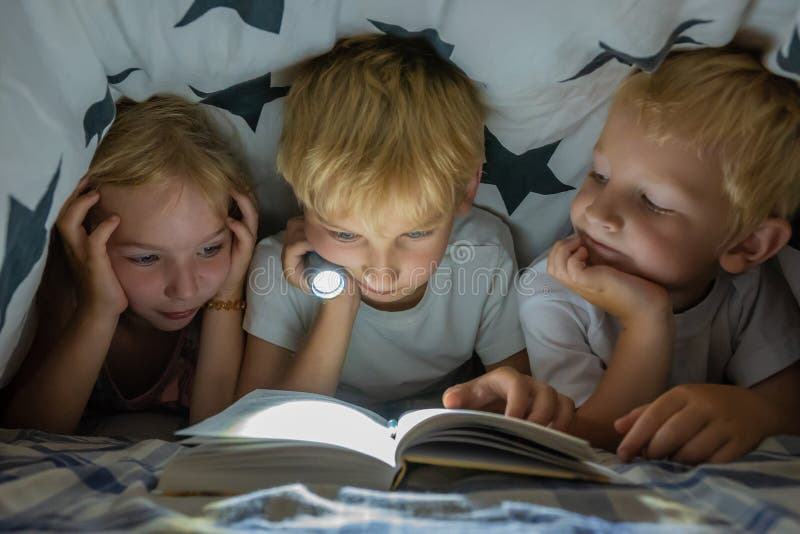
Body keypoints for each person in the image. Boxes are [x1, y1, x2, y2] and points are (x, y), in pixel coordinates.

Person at [237, 34, 574, 428]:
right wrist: (340, 303)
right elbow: (254, 427)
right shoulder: (276, 267)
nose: (382, 271)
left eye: (415, 234)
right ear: (302, 196)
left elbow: (520, 398)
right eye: (345, 235)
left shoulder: (483, 254)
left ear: (466, 189)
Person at [514, 46, 800, 463]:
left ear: (747, 245)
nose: (599, 212)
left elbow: (788, 402)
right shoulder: (552, 289)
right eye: (600, 175)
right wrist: (644, 319)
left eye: (653, 202)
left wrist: (756, 412)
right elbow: (587, 440)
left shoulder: (748, 289)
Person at [1, 95, 258, 433]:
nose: (185, 289)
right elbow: (26, 436)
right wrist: (99, 309)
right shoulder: (63, 292)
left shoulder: (246, 295)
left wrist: (228, 292)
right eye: (146, 257)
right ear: (83, 237)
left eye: (210, 249)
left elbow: (218, 437)